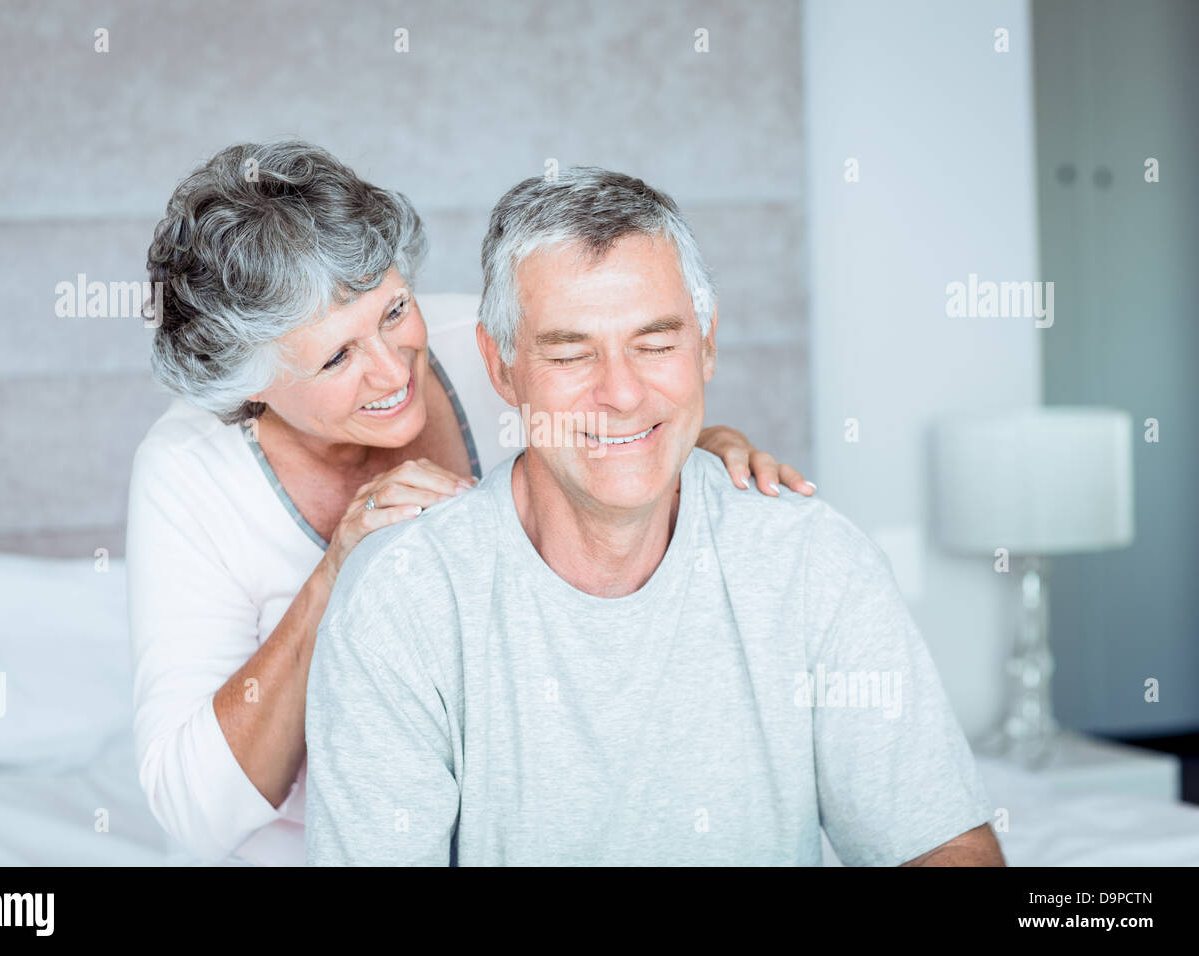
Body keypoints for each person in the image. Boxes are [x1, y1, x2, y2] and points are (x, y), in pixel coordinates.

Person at [125, 142, 815, 866]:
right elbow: (194, 812)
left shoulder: (487, 348)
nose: (393, 369)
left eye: (394, 310)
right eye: (336, 358)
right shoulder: (188, 473)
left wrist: (706, 445)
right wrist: (336, 576)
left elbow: (622, 414)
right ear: (249, 385)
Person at [304, 167, 1005, 866]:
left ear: (706, 343)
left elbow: (942, 847)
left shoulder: (815, 559)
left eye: (655, 343)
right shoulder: (400, 598)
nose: (622, 393)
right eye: (571, 351)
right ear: (502, 365)